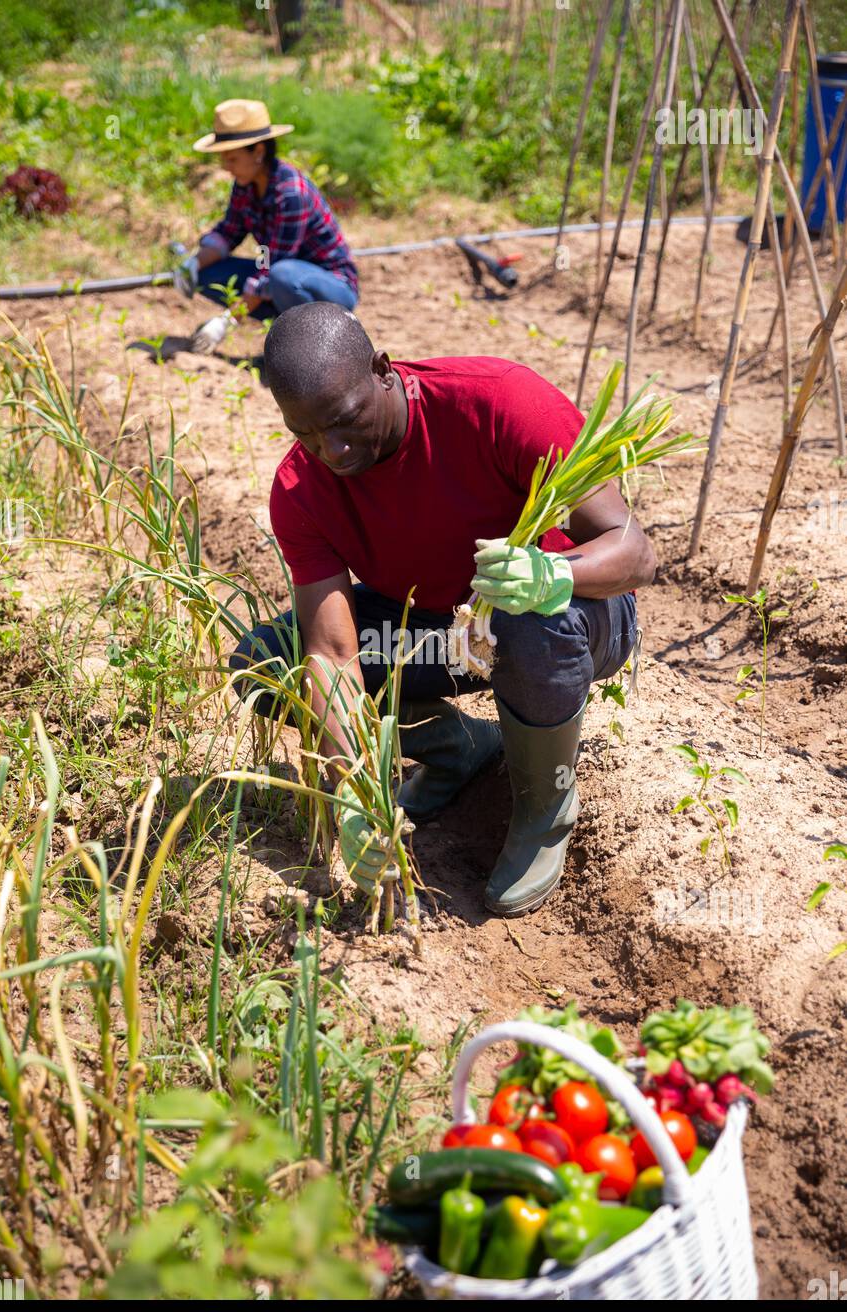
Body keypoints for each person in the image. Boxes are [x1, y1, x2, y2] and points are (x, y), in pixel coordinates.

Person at [231, 303, 655, 918]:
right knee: (271, 662)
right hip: (444, 636)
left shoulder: (499, 404)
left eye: (346, 420)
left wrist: (554, 573)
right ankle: (458, 747)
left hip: (569, 615)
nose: (334, 448)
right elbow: (332, 650)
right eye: (308, 433)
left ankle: (544, 807)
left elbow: (636, 552)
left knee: (527, 619)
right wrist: (358, 791)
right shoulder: (302, 489)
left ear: (382, 369)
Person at [173, 99, 358, 354]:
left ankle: (310, 348)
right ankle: (285, 330)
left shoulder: (291, 193)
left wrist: (226, 321)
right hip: (280, 277)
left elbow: (271, 270)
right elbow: (229, 231)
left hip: (330, 287)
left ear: (258, 152)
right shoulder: (245, 185)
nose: (226, 167)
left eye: (233, 159)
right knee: (207, 273)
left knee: (281, 276)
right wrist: (193, 264)